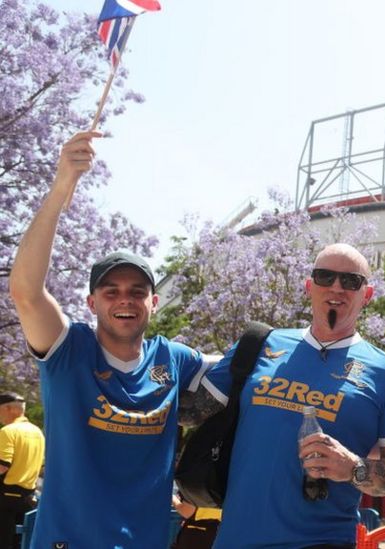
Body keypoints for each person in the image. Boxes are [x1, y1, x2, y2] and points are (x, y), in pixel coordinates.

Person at [8, 132, 212, 548]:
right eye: (111, 291)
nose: (125, 299)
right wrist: (61, 186)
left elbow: (250, 367)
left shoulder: (174, 359)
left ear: (153, 302)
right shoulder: (68, 350)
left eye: (137, 291)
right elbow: (26, 292)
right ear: (91, 302)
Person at [194, 243, 385, 548]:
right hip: (234, 540)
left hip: (323, 541)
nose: (336, 287)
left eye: (351, 281)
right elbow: (187, 411)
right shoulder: (260, 344)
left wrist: (353, 468)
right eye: (325, 276)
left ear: (367, 294)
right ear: (309, 286)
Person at [0, 393, 43, 549]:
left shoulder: (8, 431)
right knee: (20, 543)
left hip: (5, 499)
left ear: (8, 409)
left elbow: (2, 466)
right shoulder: (37, 432)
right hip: (28, 499)